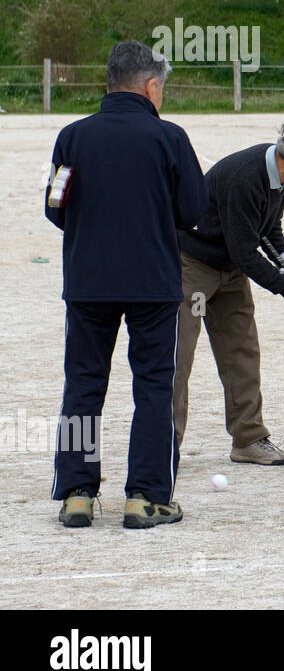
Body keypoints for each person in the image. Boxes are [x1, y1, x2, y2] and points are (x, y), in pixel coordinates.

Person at [45, 40, 209, 529]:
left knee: (83, 385)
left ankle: (76, 493)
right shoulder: (170, 138)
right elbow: (194, 210)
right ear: (150, 86)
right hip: (152, 283)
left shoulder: (72, 136)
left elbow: (56, 206)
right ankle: (147, 496)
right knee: (154, 387)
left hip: (88, 282)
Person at [173, 113, 284, 465]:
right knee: (179, 356)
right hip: (193, 265)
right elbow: (244, 250)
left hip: (230, 268)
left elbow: (267, 224)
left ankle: (248, 438)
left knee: (242, 350)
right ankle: (163, 445)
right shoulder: (245, 177)